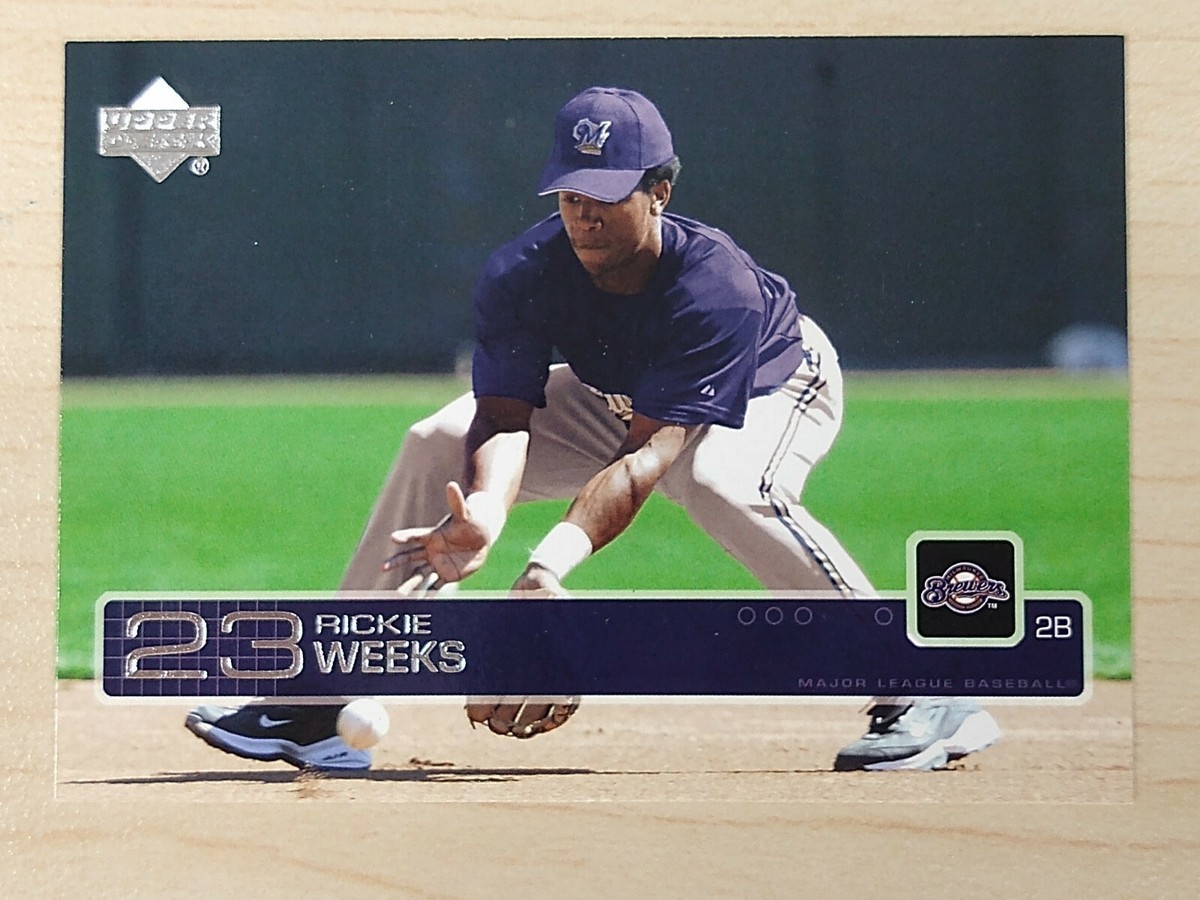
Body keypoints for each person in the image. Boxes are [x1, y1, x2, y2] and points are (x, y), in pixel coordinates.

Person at [185, 86, 1000, 772]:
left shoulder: (715, 286)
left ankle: (921, 687)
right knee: (437, 440)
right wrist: (487, 513)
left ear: (660, 192)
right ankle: (320, 701)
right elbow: (503, 416)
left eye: (607, 194)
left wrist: (546, 568)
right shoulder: (523, 272)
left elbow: (649, 456)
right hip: (623, 395)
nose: (585, 215)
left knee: (717, 482)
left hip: (773, 381)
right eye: (572, 195)